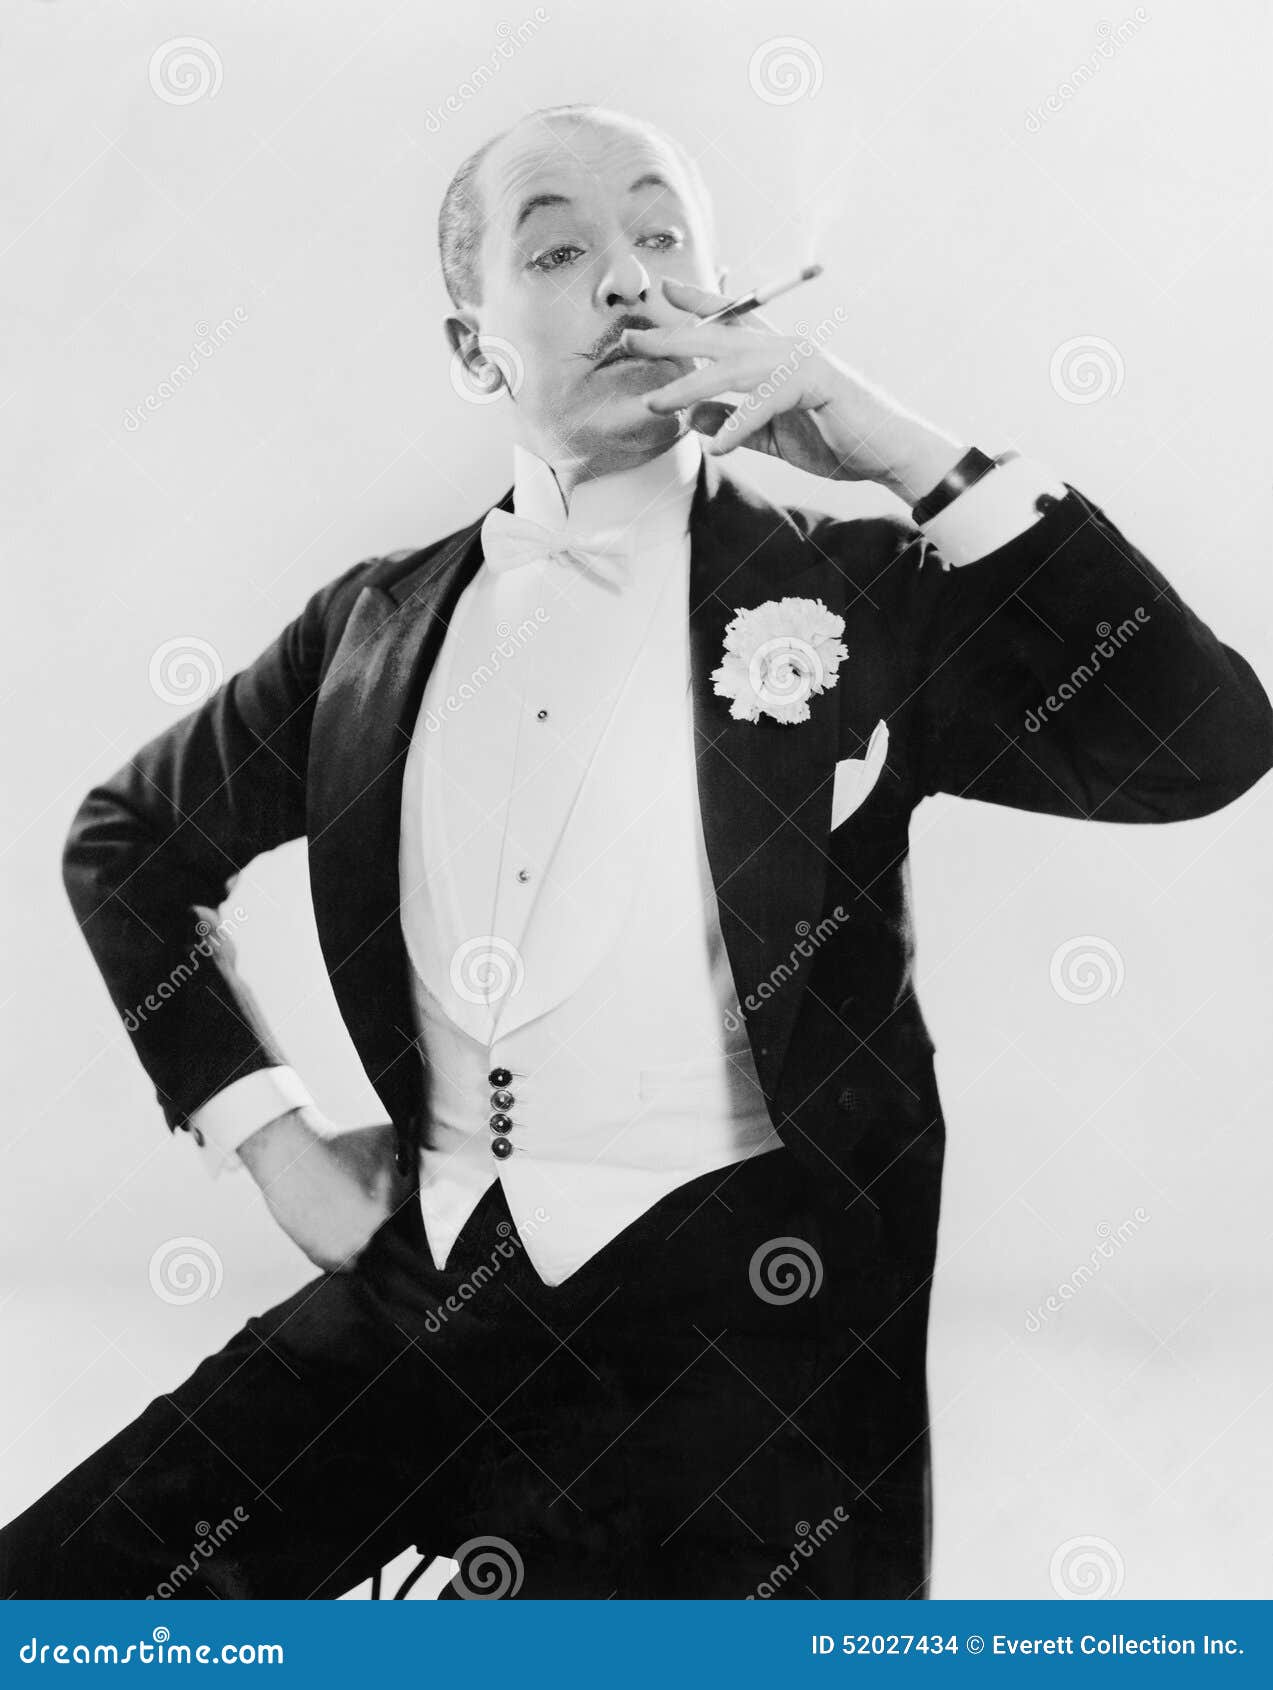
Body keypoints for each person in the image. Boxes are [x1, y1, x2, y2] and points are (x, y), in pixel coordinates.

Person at [3, 103, 1269, 1601]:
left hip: (747, 1346)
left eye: (662, 238)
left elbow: (1200, 741)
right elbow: (127, 839)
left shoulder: (857, 591)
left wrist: (900, 451)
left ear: (723, 301)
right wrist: (271, 1142)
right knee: (56, 1606)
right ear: (474, 349)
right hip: (435, 1286)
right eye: (557, 247)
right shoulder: (365, 629)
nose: (623, 275)